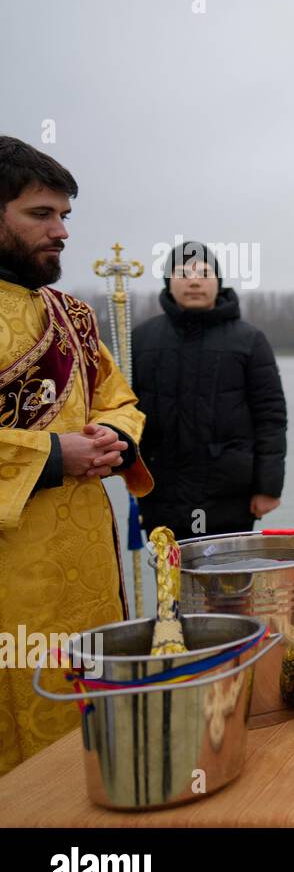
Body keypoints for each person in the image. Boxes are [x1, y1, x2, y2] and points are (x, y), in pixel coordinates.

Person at [0, 137, 152, 775]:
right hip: (12, 573)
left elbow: (119, 397)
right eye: (41, 214)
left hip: (87, 558)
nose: (61, 230)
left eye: (65, 215)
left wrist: (114, 438)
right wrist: (50, 455)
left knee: (89, 727)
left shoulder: (74, 318)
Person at [132, 241, 287, 537]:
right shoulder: (142, 339)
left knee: (229, 580)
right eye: (183, 273)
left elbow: (271, 418)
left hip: (230, 494)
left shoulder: (249, 340)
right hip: (160, 492)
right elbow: (125, 411)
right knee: (170, 580)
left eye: (203, 272)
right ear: (169, 282)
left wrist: (268, 487)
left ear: (218, 282)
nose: (193, 281)